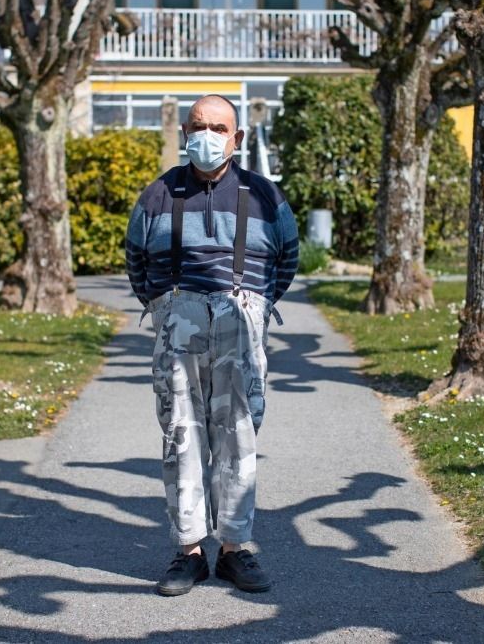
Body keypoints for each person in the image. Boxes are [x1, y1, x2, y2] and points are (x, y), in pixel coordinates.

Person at [124, 94, 299, 596]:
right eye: (199, 126)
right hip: (178, 320)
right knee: (181, 433)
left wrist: (258, 306)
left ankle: (234, 549)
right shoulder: (157, 194)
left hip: (240, 322)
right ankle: (188, 551)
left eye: (219, 127)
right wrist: (165, 308)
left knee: (239, 433)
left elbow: (286, 260)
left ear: (237, 138)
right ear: (185, 131)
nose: (208, 136)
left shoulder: (266, 195)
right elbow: (137, 260)